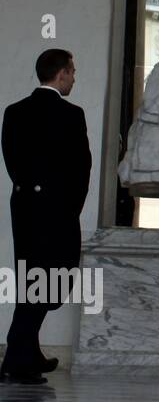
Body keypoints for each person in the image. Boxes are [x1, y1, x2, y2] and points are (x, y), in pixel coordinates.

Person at [1, 49, 91, 384]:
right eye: (73, 70)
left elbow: (12, 161)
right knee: (51, 280)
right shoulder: (71, 114)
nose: (74, 77)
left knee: (32, 281)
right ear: (62, 73)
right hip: (57, 211)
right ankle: (15, 357)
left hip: (24, 207)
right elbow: (81, 168)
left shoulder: (14, 111)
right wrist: (71, 207)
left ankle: (27, 353)